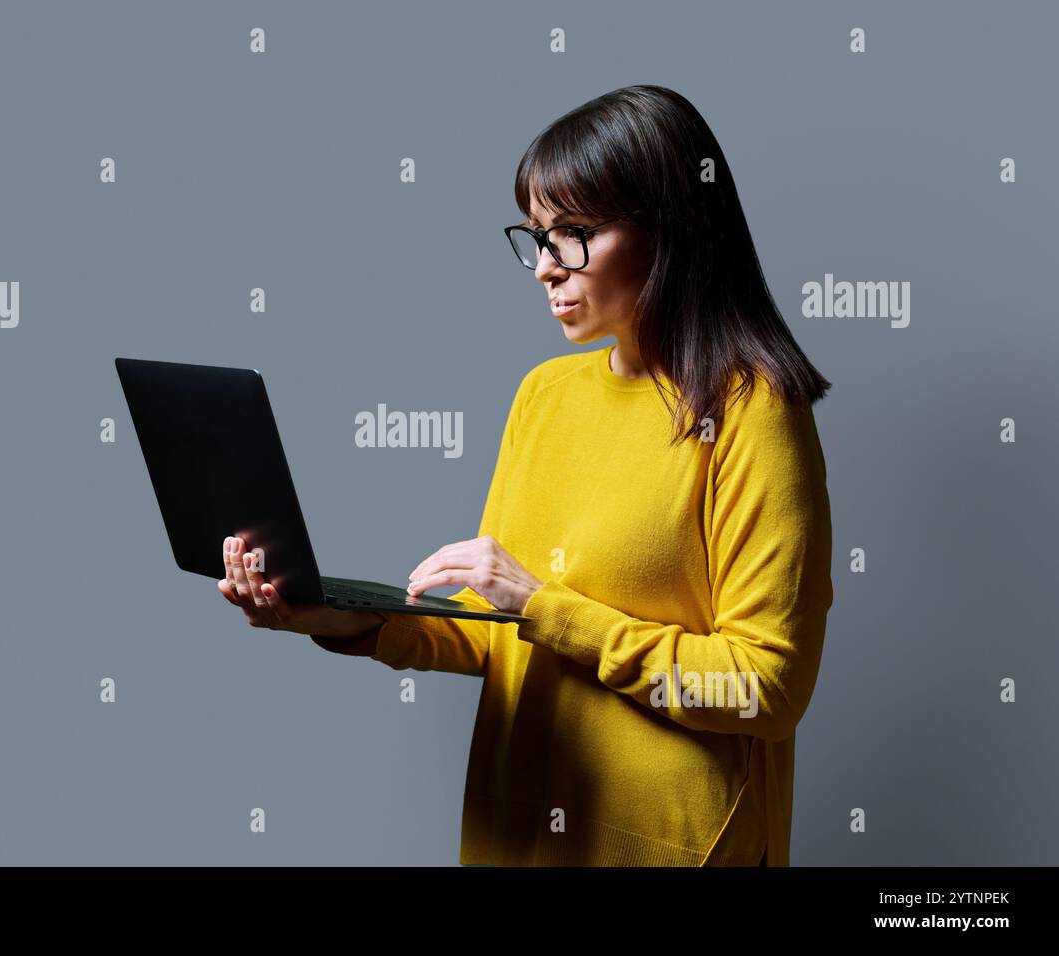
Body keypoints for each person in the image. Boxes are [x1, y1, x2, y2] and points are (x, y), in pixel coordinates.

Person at [218, 85, 833, 867]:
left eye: (573, 234)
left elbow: (764, 687)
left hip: (668, 848)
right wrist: (321, 613)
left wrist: (549, 607)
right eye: (538, 237)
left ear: (671, 224)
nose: (545, 268)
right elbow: (497, 632)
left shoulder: (752, 408)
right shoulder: (545, 394)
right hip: (514, 839)